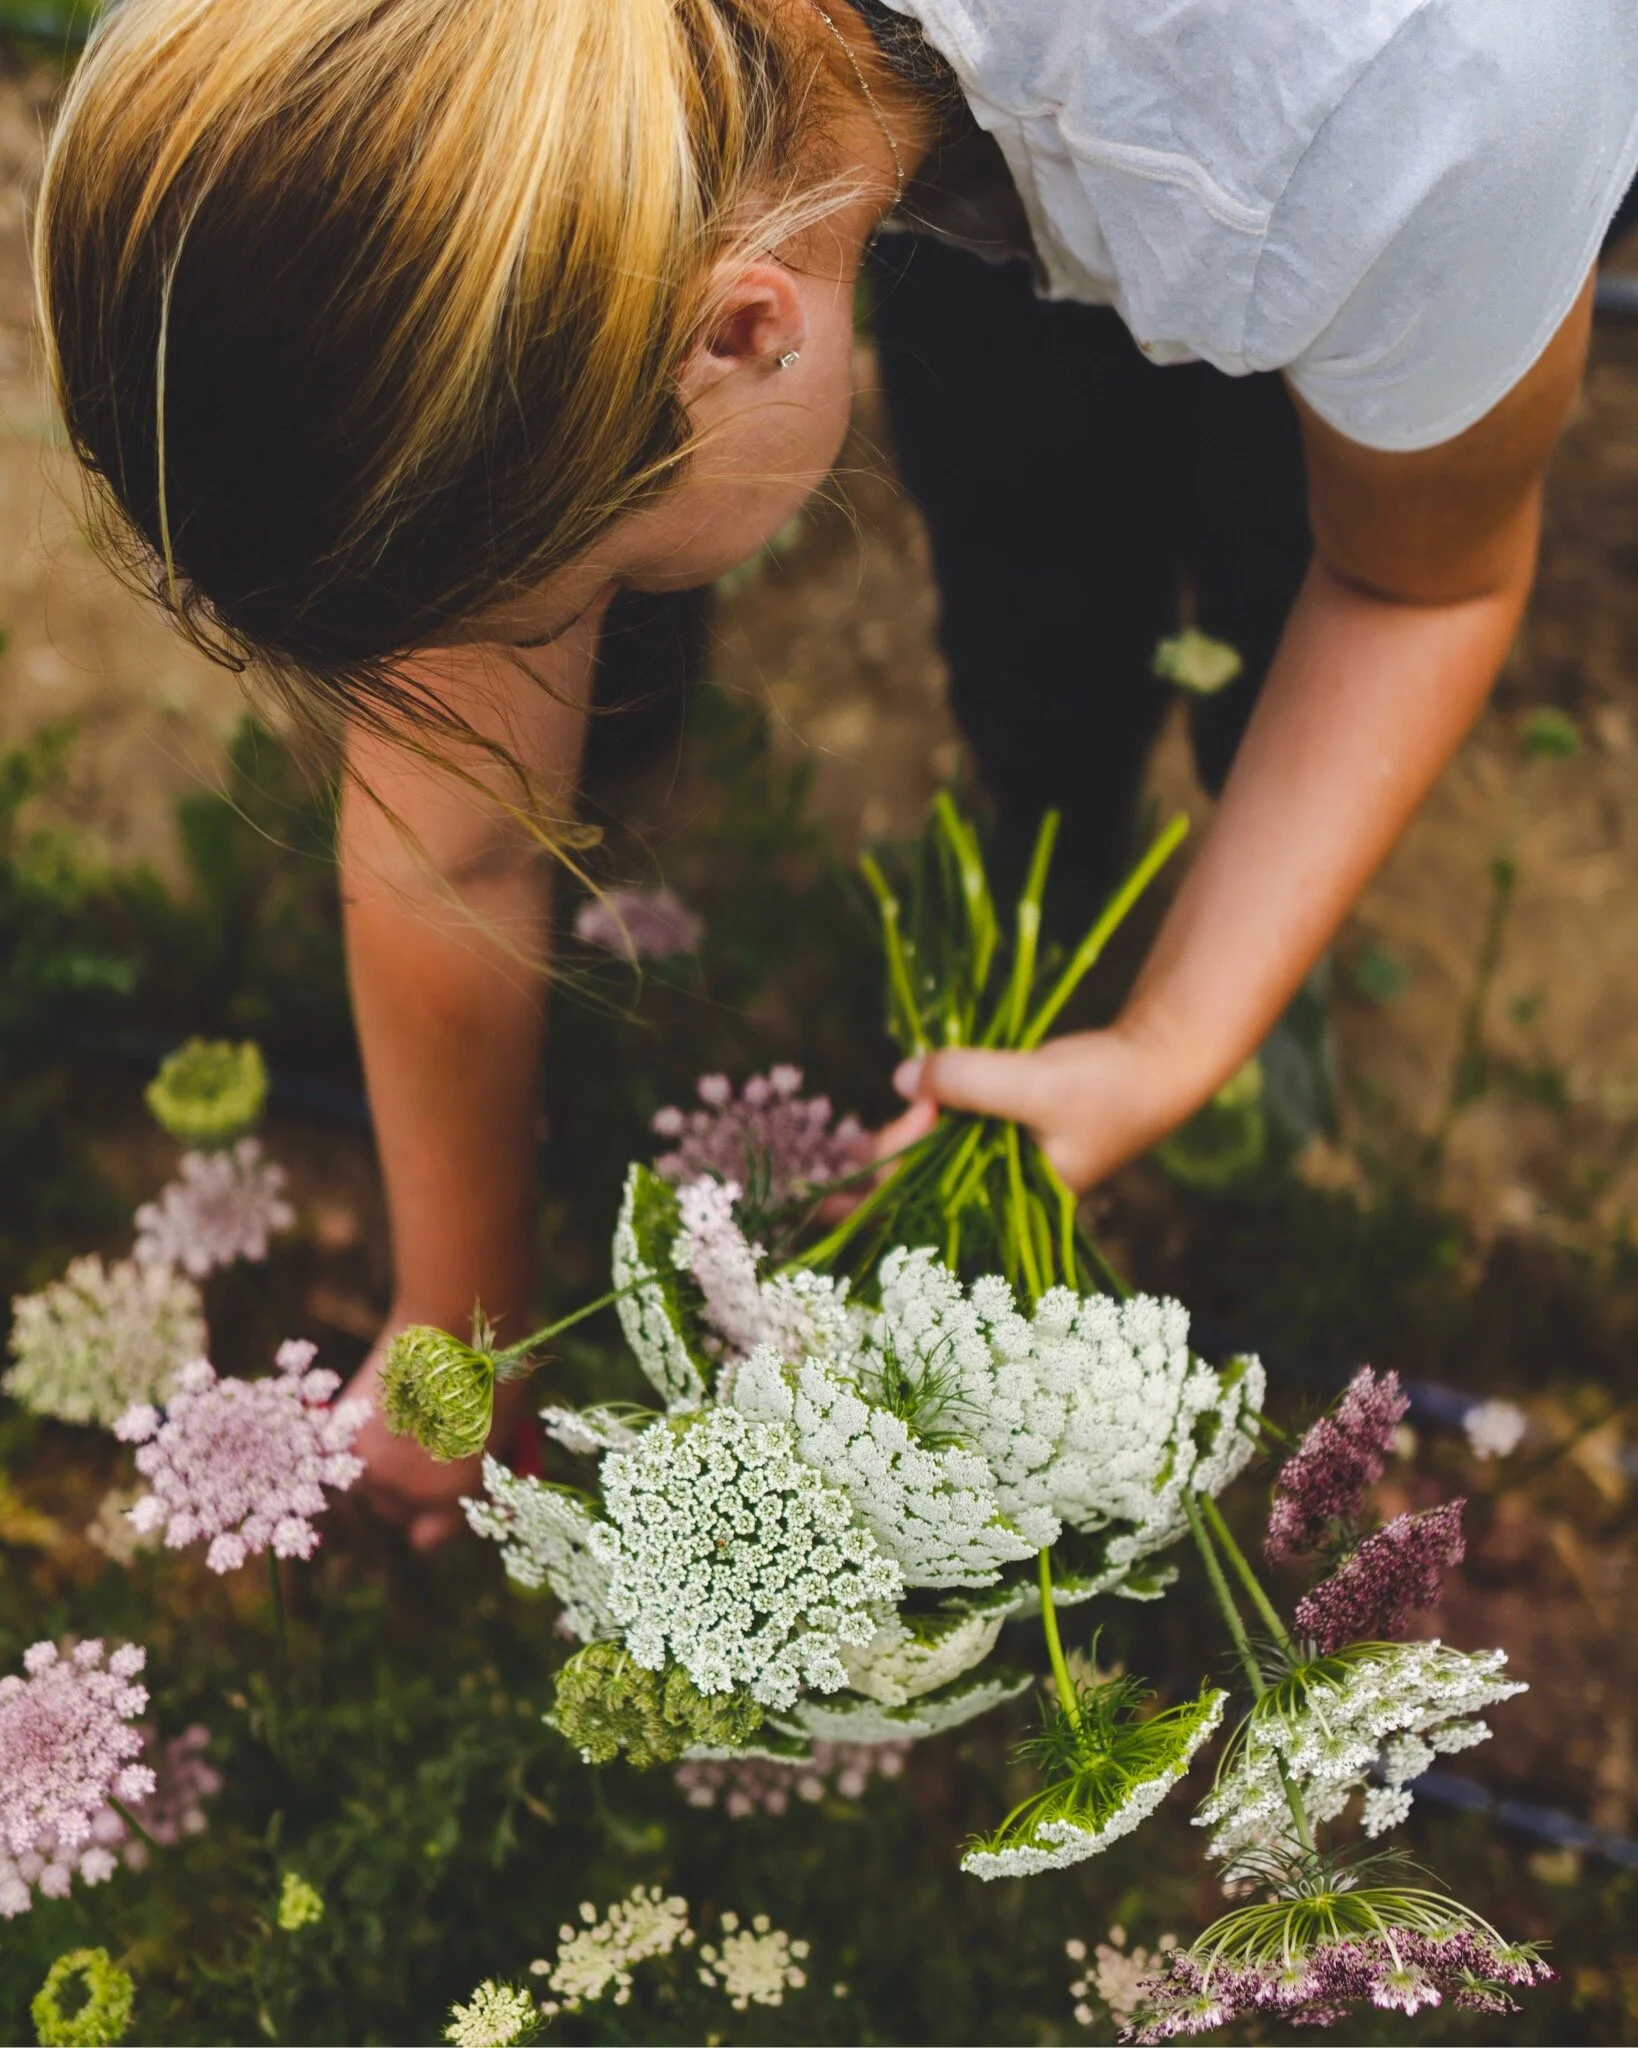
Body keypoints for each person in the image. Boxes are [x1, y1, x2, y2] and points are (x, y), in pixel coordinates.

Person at [35, 0, 1638, 1542]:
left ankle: (1243, 929)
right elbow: (444, 845)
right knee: (1023, 484)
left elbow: (1416, 582)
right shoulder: (465, 76)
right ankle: (1053, 797)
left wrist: (1169, 1040)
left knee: (1269, 544)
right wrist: (458, 1336)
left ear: (748, 326)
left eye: (578, 594)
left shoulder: (1396, 119)